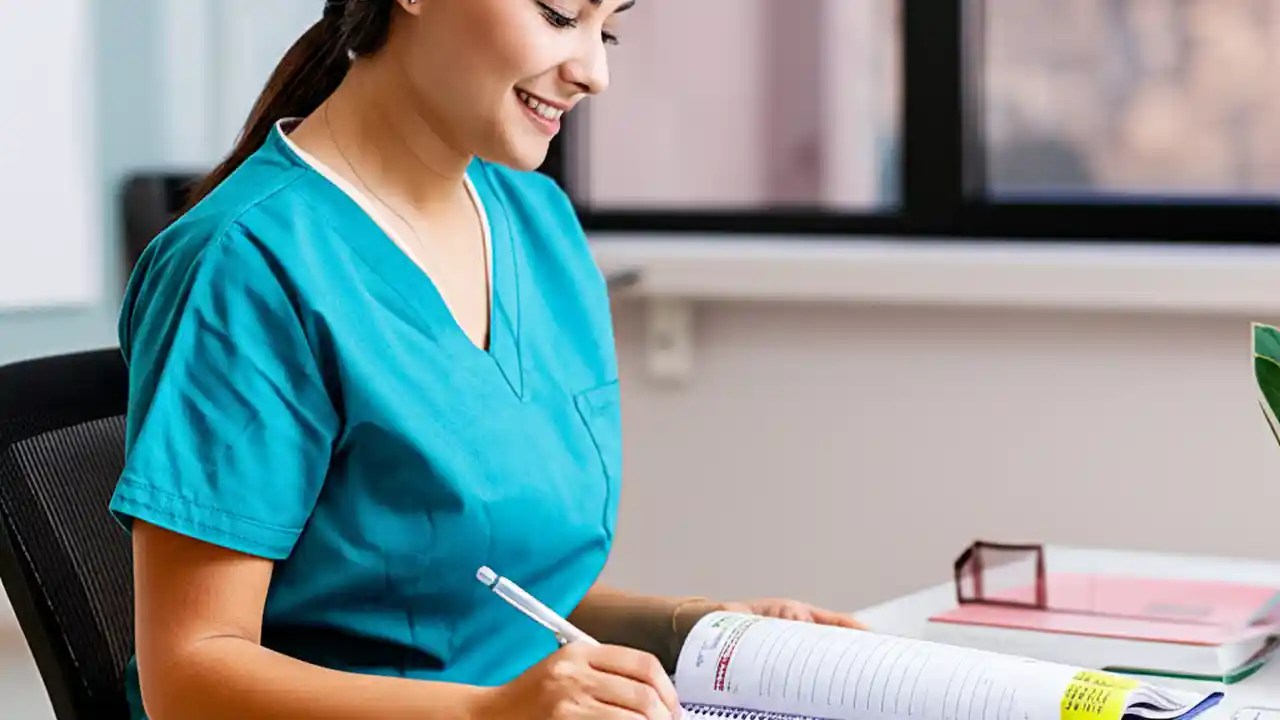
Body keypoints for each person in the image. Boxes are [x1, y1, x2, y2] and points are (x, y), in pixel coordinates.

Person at [109, 1, 863, 718]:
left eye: (610, 31)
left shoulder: (538, 223)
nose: (593, 71)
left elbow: (482, 595)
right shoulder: (245, 264)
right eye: (560, 16)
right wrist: (487, 714)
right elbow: (190, 674)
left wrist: (702, 631)